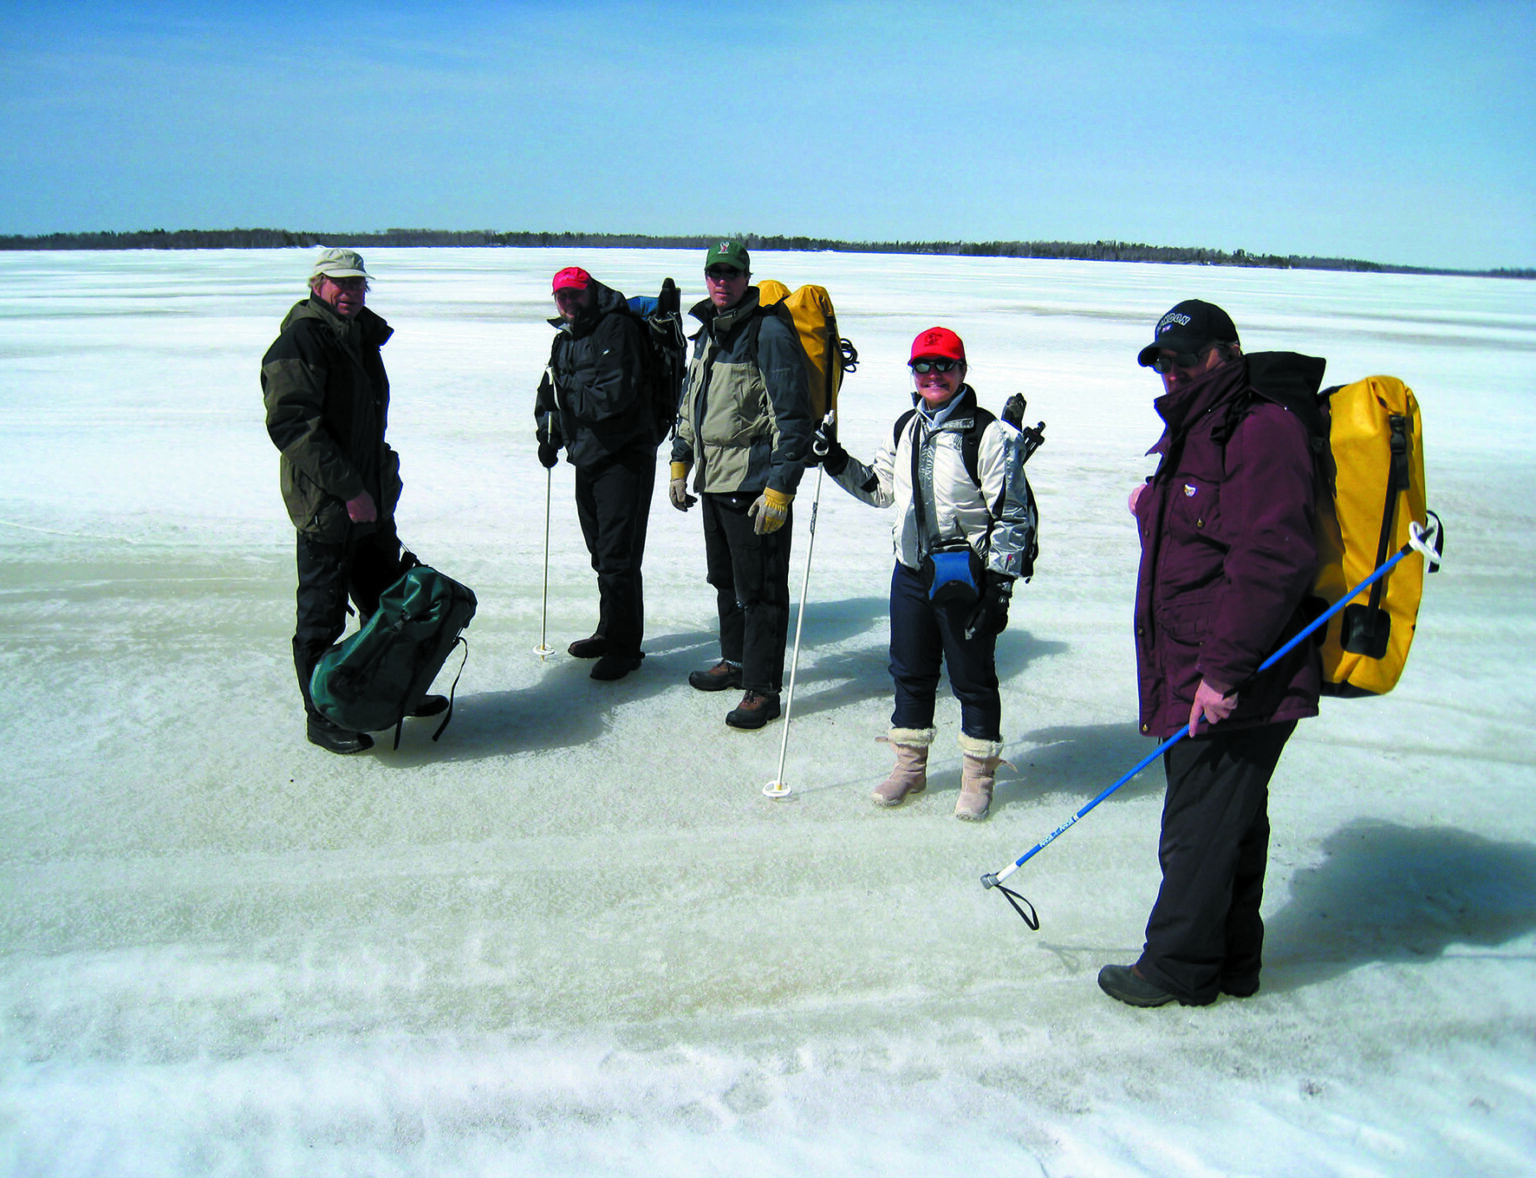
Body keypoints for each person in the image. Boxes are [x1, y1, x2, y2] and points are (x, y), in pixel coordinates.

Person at [1098, 299, 1323, 1006]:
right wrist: (1152, 512)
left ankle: (1175, 968)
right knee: (1231, 820)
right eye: (1162, 362)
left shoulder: (1261, 429)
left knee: (1195, 826)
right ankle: (1231, 964)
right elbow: (1207, 539)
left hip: (1237, 669)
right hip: (1202, 661)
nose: (1171, 373)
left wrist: (1222, 675)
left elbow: (1273, 557)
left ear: (1225, 354)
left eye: (1186, 359)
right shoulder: (1199, 427)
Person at [816, 327, 1036, 819]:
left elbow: (1012, 515)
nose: (933, 375)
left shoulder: (988, 434)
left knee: (972, 679)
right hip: (911, 572)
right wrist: (834, 459)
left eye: (944, 366)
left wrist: (998, 589)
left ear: (962, 371)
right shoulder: (905, 427)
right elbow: (879, 489)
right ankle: (909, 768)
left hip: (966, 577)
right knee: (910, 672)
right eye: (923, 366)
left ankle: (978, 776)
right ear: (912, 374)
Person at [261, 248, 446, 754]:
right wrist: (350, 490)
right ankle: (321, 716)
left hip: (370, 501)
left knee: (389, 606)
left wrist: (376, 485)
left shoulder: (360, 339)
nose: (352, 293)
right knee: (321, 616)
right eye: (342, 284)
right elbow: (294, 426)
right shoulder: (301, 340)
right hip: (328, 505)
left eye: (359, 285)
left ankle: (392, 693)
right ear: (318, 284)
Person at [668, 241, 812, 729]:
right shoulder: (707, 332)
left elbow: (793, 419)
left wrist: (780, 489)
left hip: (755, 487)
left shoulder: (767, 331)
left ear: (747, 276)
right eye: (714, 274)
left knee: (762, 591)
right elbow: (692, 402)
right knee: (725, 581)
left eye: (731, 273)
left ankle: (763, 689)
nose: (721, 282)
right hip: (713, 481)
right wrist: (679, 462)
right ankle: (735, 662)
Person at [534, 266, 657, 681]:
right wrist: (547, 433)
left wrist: (565, 397)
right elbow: (548, 392)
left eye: (575, 294)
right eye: (561, 296)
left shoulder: (617, 331)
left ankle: (626, 648)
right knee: (601, 555)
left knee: (619, 558)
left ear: (592, 293)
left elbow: (613, 398)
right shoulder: (565, 339)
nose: (568, 303)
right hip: (587, 456)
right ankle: (608, 631)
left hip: (624, 456)